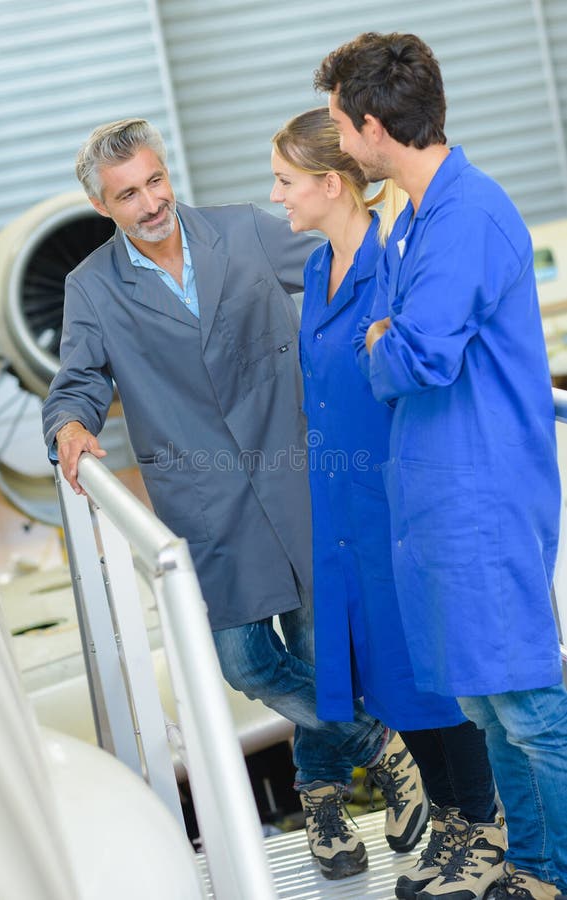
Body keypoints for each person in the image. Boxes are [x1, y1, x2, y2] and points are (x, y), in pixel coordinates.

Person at [41, 117, 426, 882]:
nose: (150, 202)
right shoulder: (91, 287)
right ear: (102, 205)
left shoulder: (244, 233)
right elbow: (78, 380)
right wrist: (71, 426)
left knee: (322, 656)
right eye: (128, 194)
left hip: (299, 478)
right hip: (206, 507)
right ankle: (382, 749)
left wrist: (398, 322)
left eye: (155, 180)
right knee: (245, 662)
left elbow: (352, 261)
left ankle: (319, 812)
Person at [315, 31, 567, 900]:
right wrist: (383, 339)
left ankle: (559, 871)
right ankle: (531, 868)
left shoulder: (464, 214)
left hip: (482, 492)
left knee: (530, 709)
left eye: (343, 130)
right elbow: (374, 338)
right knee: (490, 709)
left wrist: (386, 344)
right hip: (439, 490)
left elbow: (411, 357)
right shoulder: (415, 215)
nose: (341, 147)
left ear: (375, 126)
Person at [271, 106, 499, 900]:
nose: (278, 197)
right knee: (390, 680)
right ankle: (449, 824)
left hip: (399, 502)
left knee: (431, 677)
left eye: (286, 181)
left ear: (331, 184)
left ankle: (481, 828)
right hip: (343, 507)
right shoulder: (312, 271)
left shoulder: (392, 261)